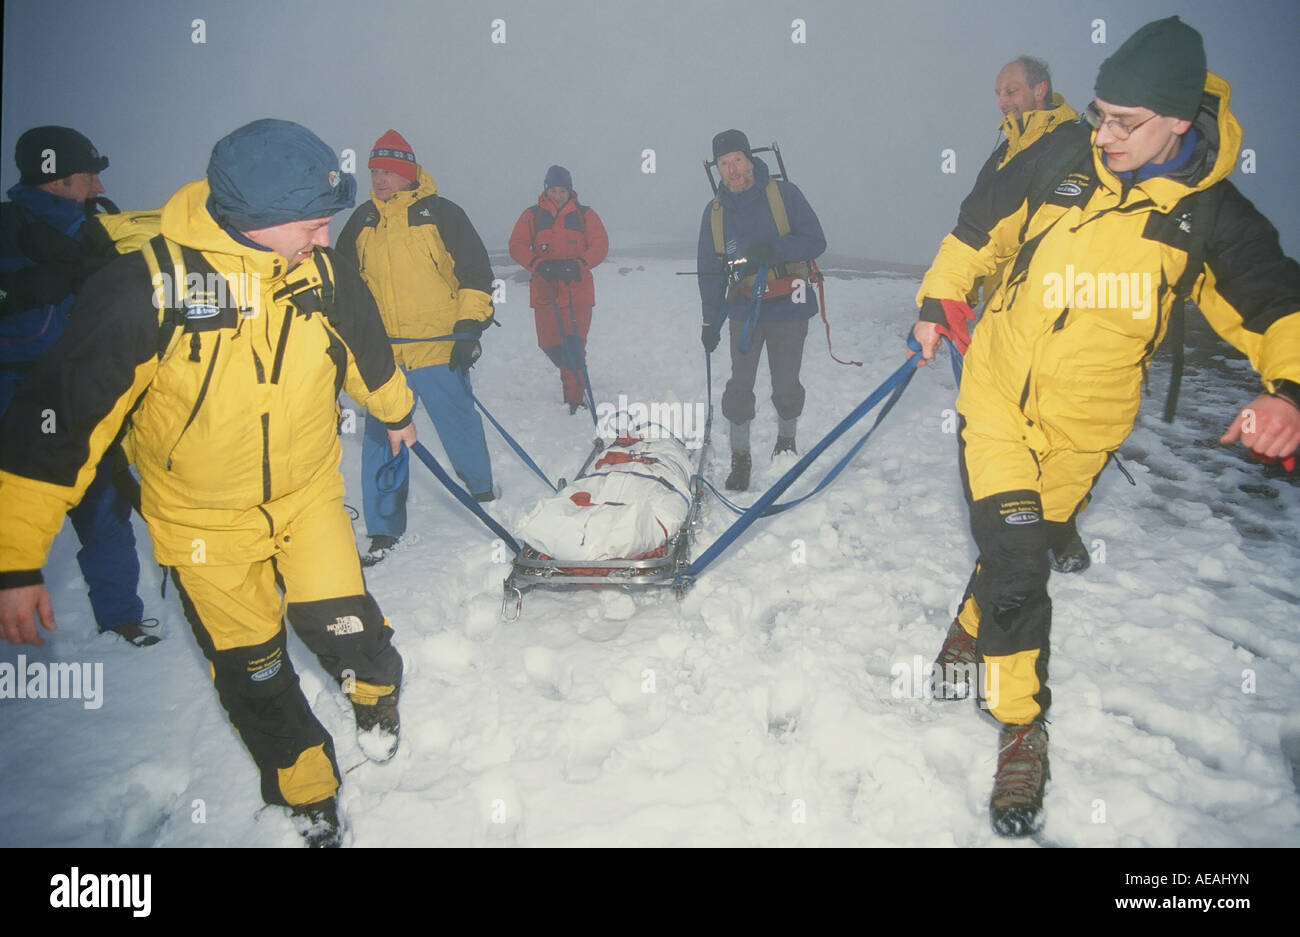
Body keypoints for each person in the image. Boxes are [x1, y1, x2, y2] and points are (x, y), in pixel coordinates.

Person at [911, 17, 1300, 838]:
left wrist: (1289, 393)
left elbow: (1277, 306)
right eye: (1099, 114)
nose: (1106, 134)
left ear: (1178, 125)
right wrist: (938, 301)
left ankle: (968, 628)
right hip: (993, 400)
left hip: (1085, 427)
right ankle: (1022, 725)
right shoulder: (1062, 160)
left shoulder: (1208, 218)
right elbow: (977, 230)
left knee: (1023, 541)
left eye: (1126, 122)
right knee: (1019, 557)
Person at [0, 119, 418, 847]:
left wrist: (397, 411)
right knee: (255, 674)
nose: (324, 239)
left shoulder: (318, 271)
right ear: (256, 223)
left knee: (344, 624)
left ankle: (377, 696)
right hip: (202, 528)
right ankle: (307, 790)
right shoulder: (147, 288)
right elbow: (58, 419)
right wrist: (14, 555)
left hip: (307, 494)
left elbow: (367, 347)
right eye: (313, 225)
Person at [0, 126, 154, 647]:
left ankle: (121, 617)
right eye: (87, 175)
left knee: (105, 506)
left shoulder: (100, 228)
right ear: (57, 180)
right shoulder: (6, 227)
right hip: (12, 394)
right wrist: (22, 289)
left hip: (83, 396)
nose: (95, 184)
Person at [337, 130, 497, 568]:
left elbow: (475, 274)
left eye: (388, 171)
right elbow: (344, 288)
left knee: (459, 423)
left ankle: (482, 492)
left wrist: (468, 329)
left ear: (409, 173)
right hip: (382, 355)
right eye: (374, 171)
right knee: (382, 440)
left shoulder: (442, 214)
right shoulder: (361, 221)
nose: (380, 179)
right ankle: (385, 528)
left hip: (439, 348)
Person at [981, 59, 1092, 573]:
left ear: (1040, 88)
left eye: (1012, 90)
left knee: (1059, 422)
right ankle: (1017, 527)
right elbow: (977, 220)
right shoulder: (1003, 150)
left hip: (1061, 311)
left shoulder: (1077, 142)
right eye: (1000, 92)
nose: (1004, 100)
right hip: (1003, 311)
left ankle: (1062, 527)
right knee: (1006, 422)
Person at [697, 129, 826, 491]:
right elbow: (709, 268)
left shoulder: (785, 195)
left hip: (790, 304)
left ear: (750, 159)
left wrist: (777, 250)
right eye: (724, 163)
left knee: (787, 383)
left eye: (737, 159)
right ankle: (741, 455)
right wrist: (710, 320)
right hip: (743, 308)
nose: (732, 169)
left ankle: (786, 442)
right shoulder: (715, 212)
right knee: (740, 385)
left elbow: (816, 239)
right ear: (717, 168)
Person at [508, 165, 609, 414]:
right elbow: (517, 244)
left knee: (574, 344)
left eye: (562, 190)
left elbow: (600, 244)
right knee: (550, 343)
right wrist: (538, 264)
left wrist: (579, 265)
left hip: (578, 291)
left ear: (570, 190)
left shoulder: (586, 215)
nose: (558, 195)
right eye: (553, 190)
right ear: (546, 189)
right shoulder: (532, 215)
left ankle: (575, 398)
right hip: (545, 292)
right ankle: (571, 374)